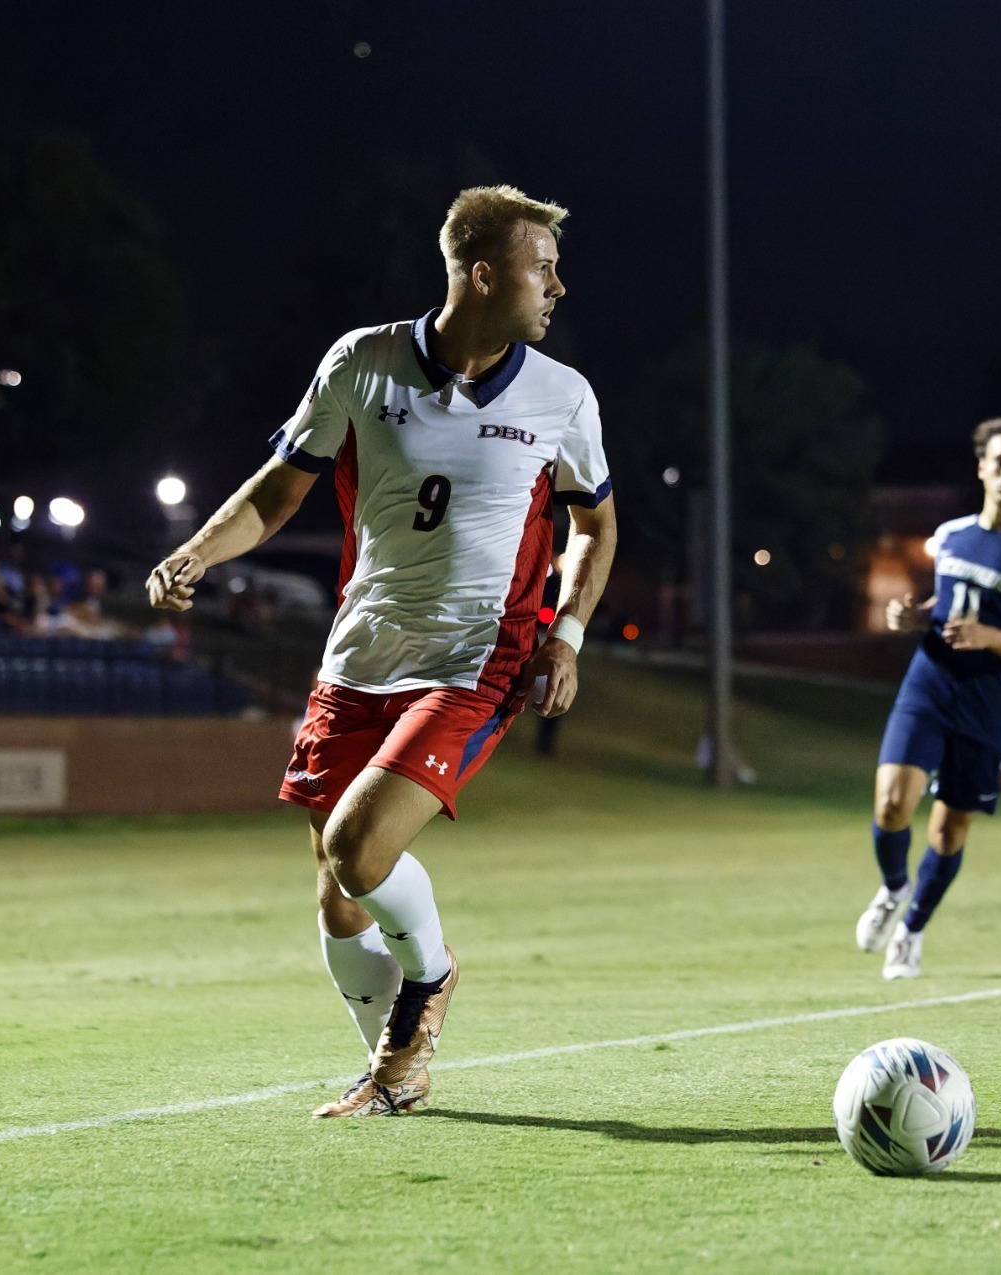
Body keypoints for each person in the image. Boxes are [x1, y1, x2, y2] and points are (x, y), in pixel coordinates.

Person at [146, 185, 615, 1117]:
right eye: (541, 266)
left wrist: (565, 634)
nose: (558, 285)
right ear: (483, 274)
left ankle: (429, 986)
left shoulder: (564, 396)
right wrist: (199, 547)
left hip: (477, 658)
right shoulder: (361, 363)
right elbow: (280, 491)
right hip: (358, 654)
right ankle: (395, 1073)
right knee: (337, 895)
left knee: (361, 849)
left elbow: (594, 529)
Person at [856, 415, 1001, 979]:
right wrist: (910, 617)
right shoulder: (951, 536)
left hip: (985, 700)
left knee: (949, 830)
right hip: (929, 683)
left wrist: (991, 638)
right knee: (890, 803)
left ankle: (912, 931)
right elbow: (941, 609)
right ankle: (894, 887)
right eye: (998, 460)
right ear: (981, 466)